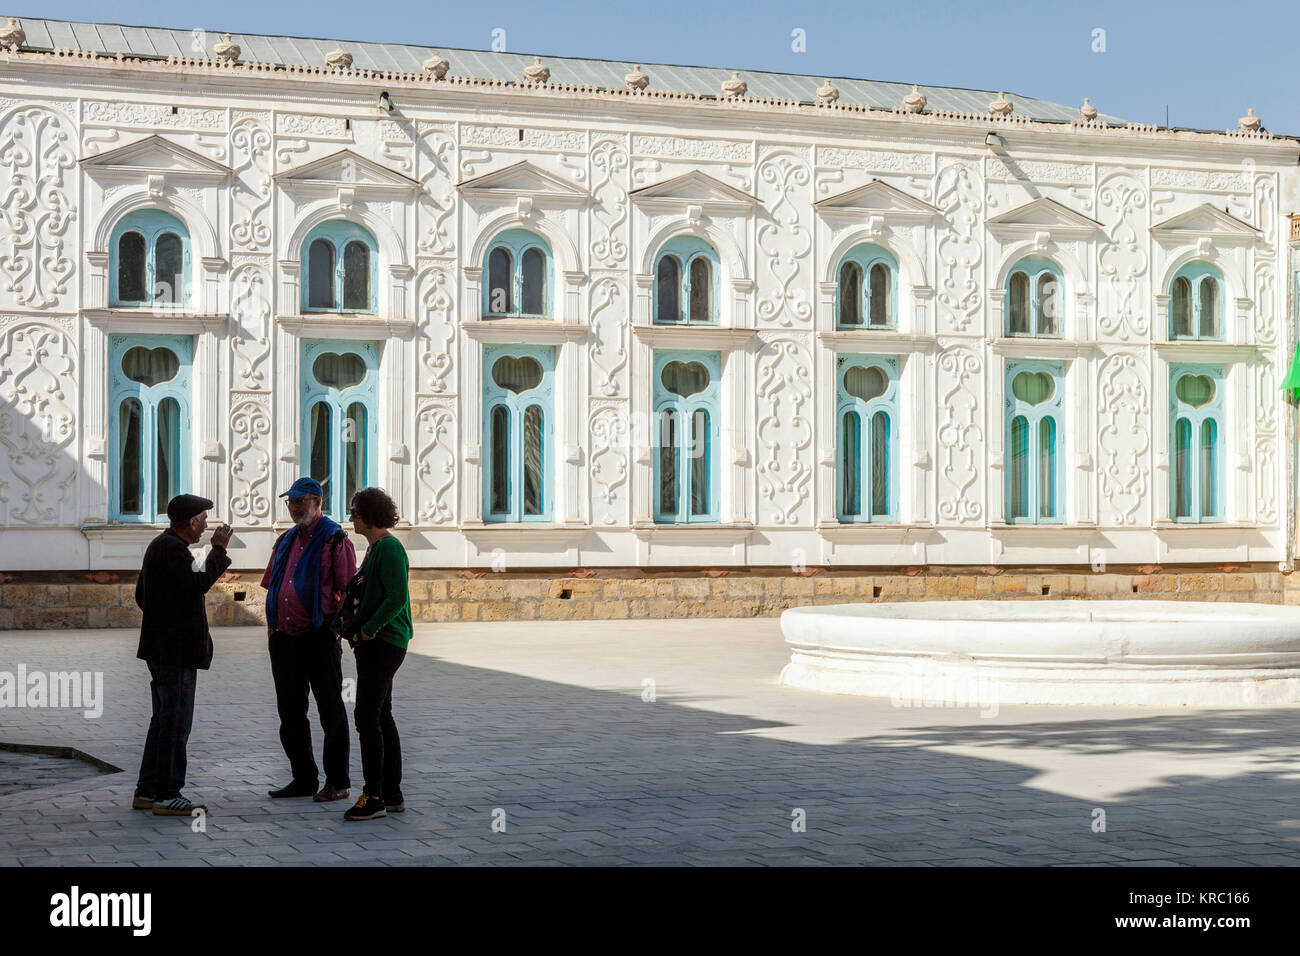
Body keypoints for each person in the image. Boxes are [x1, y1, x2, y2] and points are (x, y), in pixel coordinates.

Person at [133, 494, 232, 816]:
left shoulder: (161, 546)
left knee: (162, 722)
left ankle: (147, 791)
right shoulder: (172, 549)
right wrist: (218, 550)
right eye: (203, 520)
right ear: (191, 522)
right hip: (174, 653)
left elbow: (142, 594)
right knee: (175, 724)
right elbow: (198, 584)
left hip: (163, 649)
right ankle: (167, 794)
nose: (206, 527)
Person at [261, 477, 357, 802]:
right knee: (290, 713)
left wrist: (333, 630)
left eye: (300, 501)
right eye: (290, 502)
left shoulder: (334, 539)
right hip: (285, 639)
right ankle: (303, 778)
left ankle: (338, 782)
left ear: (317, 502)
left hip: (318, 637)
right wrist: (272, 628)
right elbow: (273, 585)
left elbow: (348, 589)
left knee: (330, 710)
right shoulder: (286, 540)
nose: (293, 507)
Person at [342, 487, 412, 822]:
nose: (350, 517)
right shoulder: (376, 548)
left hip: (384, 642)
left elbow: (397, 596)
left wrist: (370, 629)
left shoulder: (389, 547)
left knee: (366, 715)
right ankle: (391, 793)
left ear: (369, 514)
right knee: (381, 714)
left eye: (354, 511)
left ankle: (373, 796)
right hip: (376, 642)